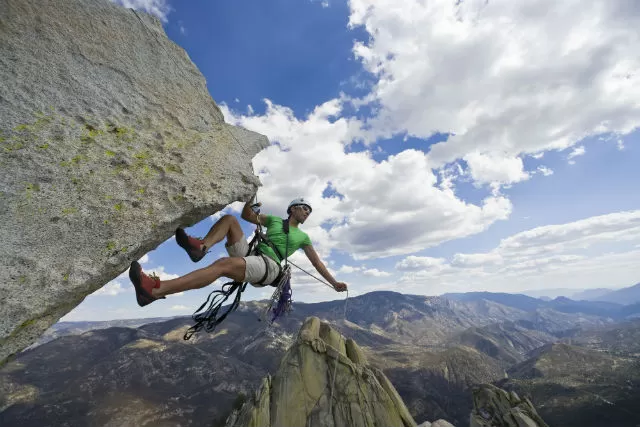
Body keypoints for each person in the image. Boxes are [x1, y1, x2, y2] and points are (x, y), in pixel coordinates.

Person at [129, 197, 348, 307]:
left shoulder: (303, 237)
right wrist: (251, 197)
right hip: (252, 255)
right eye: (304, 208)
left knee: (223, 265)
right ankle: (201, 248)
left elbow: (317, 263)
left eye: (309, 211)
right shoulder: (272, 220)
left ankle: (156, 291)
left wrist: (333, 282)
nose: (307, 213)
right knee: (230, 220)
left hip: (269, 267)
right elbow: (246, 216)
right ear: (292, 209)